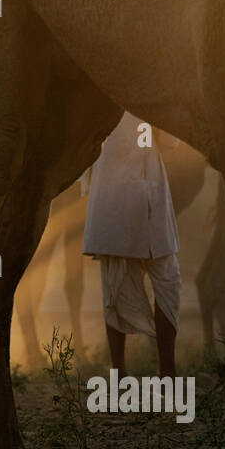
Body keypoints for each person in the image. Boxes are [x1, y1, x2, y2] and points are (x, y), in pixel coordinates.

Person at [81, 111, 181, 377]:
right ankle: (166, 372)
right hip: (145, 196)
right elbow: (171, 142)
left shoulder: (99, 90)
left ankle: (120, 372)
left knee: (114, 287)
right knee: (167, 283)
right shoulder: (149, 94)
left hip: (110, 198)